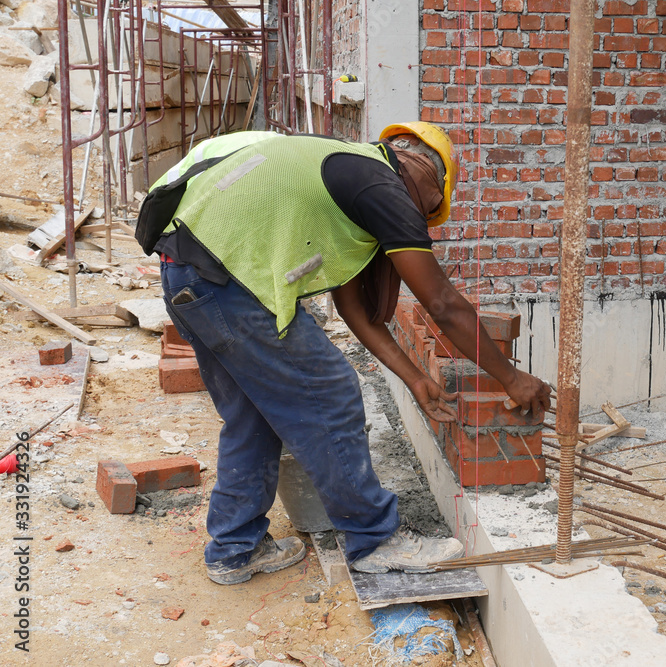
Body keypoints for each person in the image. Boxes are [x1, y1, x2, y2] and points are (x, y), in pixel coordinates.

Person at [148, 122, 552, 584]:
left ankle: (234, 550)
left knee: (253, 415)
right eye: (431, 211)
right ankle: (374, 540)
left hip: (187, 279)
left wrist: (414, 378)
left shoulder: (345, 173)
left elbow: (354, 309)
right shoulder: (386, 186)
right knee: (331, 391)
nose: (422, 220)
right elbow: (442, 303)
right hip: (231, 286)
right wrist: (511, 378)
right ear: (429, 183)